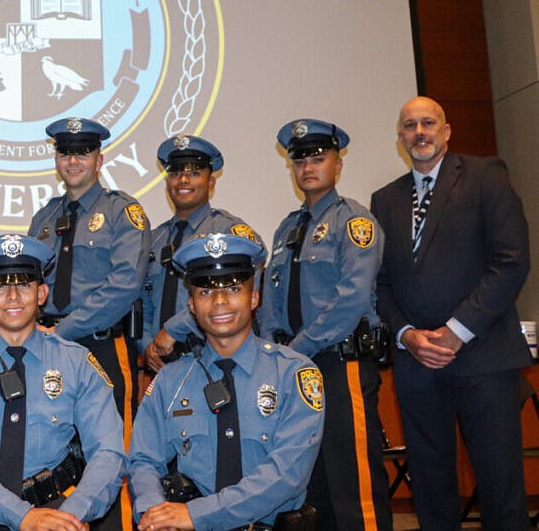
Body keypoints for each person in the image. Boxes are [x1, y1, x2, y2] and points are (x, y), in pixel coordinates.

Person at [371, 96, 531, 530]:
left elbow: (511, 262)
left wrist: (456, 331)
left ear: (447, 131)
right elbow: (381, 285)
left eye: (428, 123)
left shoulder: (485, 177)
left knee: (501, 490)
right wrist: (407, 335)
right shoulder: (384, 200)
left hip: (484, 359)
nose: (419, 132)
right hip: (417, 365)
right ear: (400, 137)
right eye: (409, 126)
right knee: (430, 491)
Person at [0, 234, 126, 531]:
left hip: (61, 513)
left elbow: (108, 452)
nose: (12, 297)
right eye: (0, 286)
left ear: (42, 293)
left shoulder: (76, 363)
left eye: (23, 285)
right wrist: (23, 517)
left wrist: (72, 516)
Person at [129, 233, 324, 531]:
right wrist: (154, 512)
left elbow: (288, 474)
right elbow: (143, 460)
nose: (219, 301)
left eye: (233, 288)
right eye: (205, 292)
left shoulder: (294, 374)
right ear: (192, 305)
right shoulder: (171, 380)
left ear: (254, 298)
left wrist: (197, 515)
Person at [255, 119, 391, 530]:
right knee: (309, 482)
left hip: (339, 364)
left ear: (338, 164)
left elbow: (351, 299)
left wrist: (298, 348)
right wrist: (271, 351)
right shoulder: (287, 229)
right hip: (295, 369)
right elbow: (271, 302)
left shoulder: (355, 222)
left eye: (318, 158)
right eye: (300, 161)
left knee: (353, 481)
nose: (308, 167)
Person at [28, 117, 149, 531]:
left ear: (99, 158)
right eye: (65, 152)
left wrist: (61, 331)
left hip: (101, 347)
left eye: (82, 151)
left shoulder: (123, 211)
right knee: (54, 450)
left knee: (111, 453)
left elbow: (124, 285)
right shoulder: (45, 218)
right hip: (45, 349)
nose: (73, 159)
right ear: (56, 159)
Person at [141, 135, 262, 372]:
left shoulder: (230, 234)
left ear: (211, 182)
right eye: (175, 173)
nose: (183, 179)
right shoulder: (153, 240)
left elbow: (242, 296)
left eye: (194, 172)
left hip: (214, 360)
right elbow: (141, 300)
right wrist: (147, 345)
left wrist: (173, 329)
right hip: (158, 365)